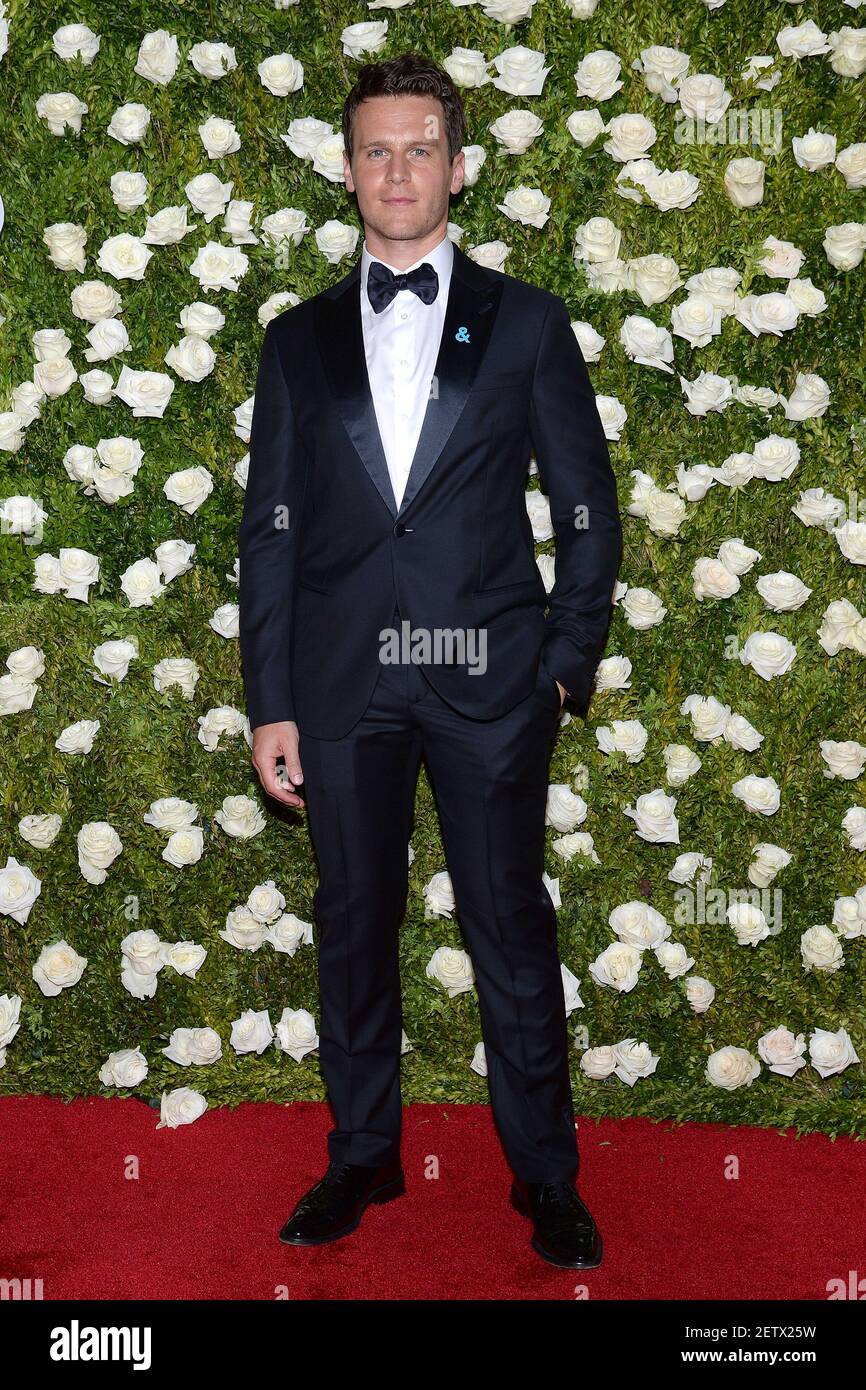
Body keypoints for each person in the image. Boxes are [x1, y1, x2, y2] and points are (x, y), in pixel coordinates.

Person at [238, 51, 622, 1270]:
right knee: (351, 923)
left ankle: (545, 1177)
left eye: (418, 147)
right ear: (345, 170)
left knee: (509, 923)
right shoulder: (295, 342)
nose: (395, 169)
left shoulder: (526, 324)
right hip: (343, 688)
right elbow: (270, 532)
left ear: (456, 168)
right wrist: (270, 702)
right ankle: (361, 1156)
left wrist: (563, 663)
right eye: (373, 148)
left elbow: (584, 507)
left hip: (489, 680)